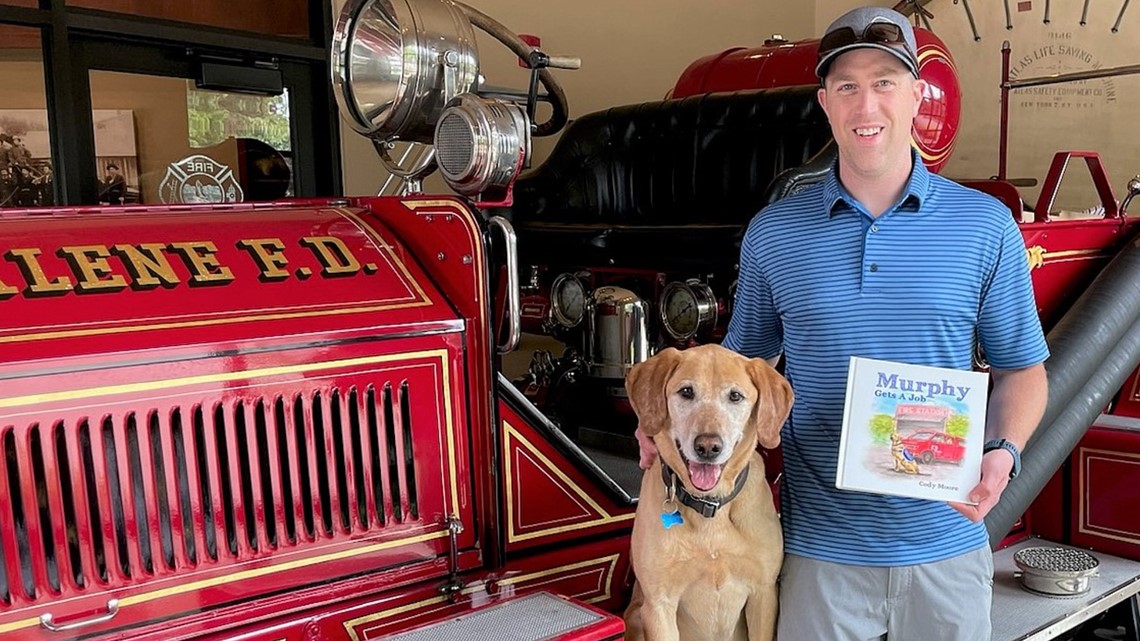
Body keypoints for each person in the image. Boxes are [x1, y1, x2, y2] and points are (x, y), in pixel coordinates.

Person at [636, 6, 1048, 640]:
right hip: (816, 552)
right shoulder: (775, 232)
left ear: (916, 96)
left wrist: (1003, 452)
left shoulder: (983, 227)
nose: (867, 106)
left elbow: (1023, 370)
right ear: (825, 103)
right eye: (847, 86)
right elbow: (737, 369)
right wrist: (661, 419)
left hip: (945, 543)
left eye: (885, 82)